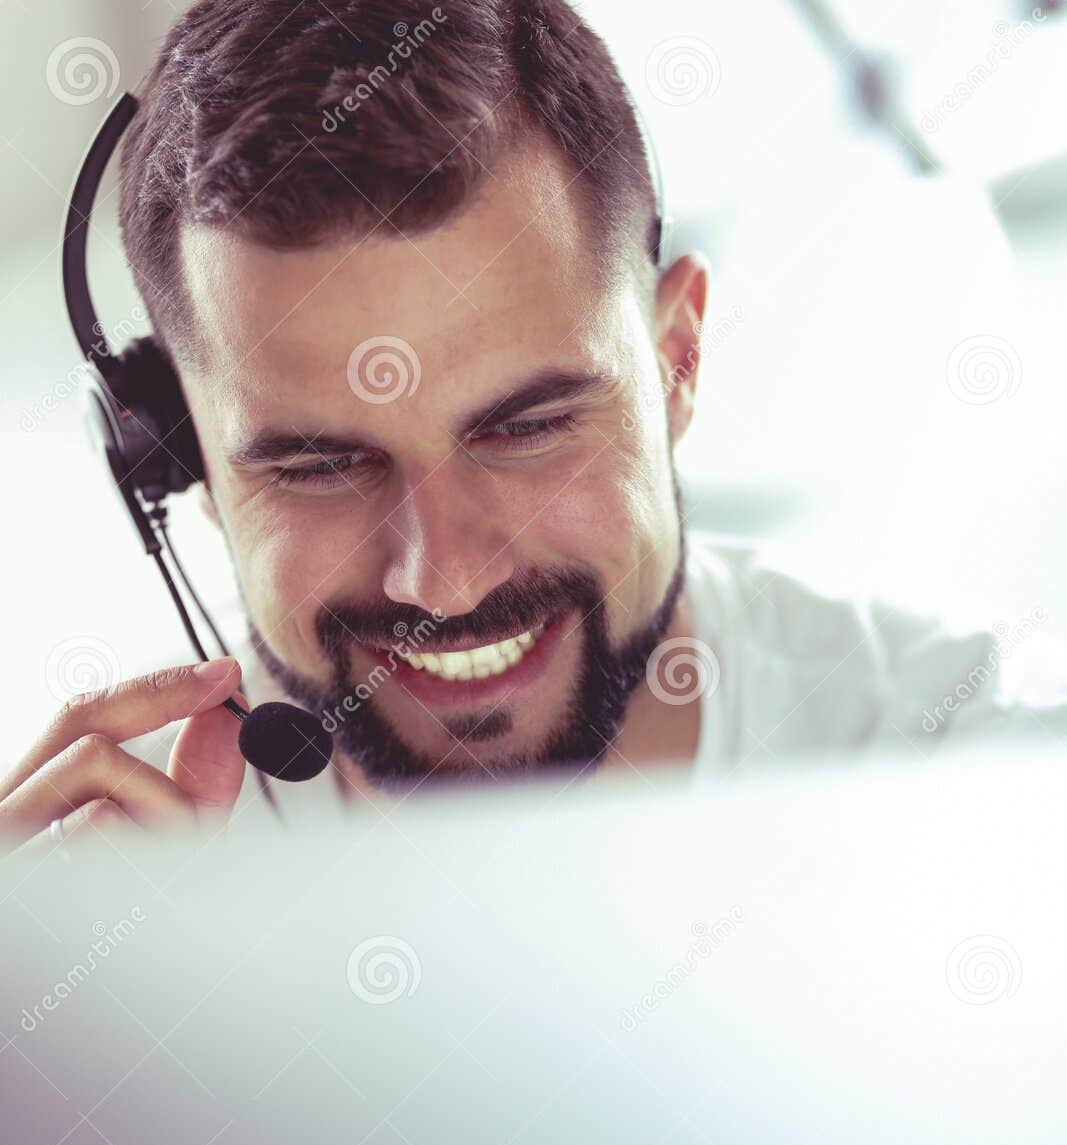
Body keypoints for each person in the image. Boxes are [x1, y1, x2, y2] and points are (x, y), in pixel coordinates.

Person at [3, 0, 1065, 851]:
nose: (446, 582)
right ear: (173, 457)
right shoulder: (116, 893)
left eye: (525, 429)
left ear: (676, 362)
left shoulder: (987, 792)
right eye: (322, 465)